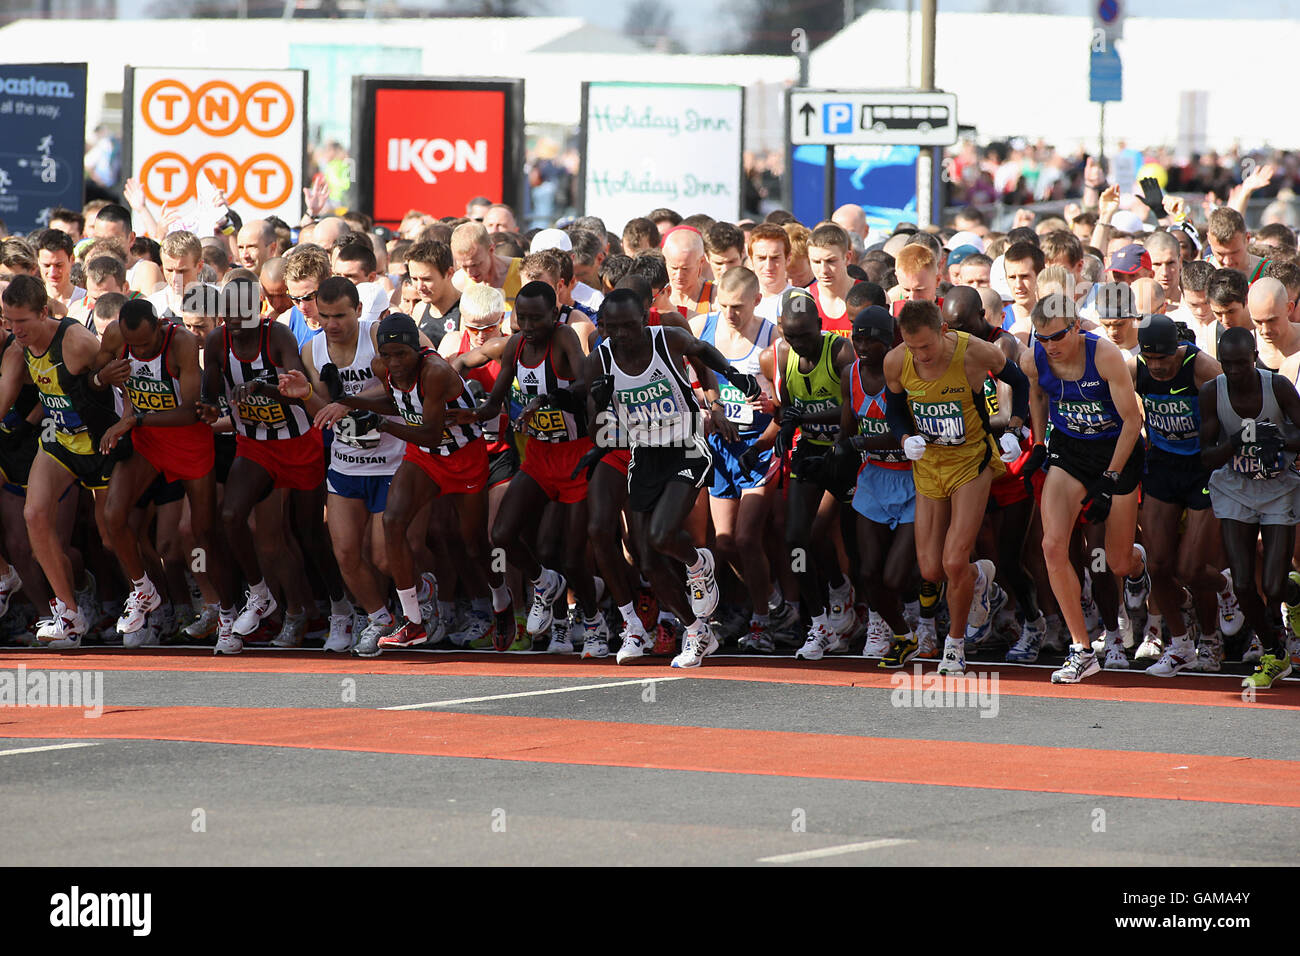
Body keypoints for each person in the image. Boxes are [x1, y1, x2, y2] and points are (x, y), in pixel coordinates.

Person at [582, 288, 762, 666]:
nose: (622, 334)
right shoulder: (600, 359)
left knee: (662, 534)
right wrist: (599, 403)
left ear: (644, 319)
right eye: (613, 328)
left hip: (686, 447)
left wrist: (735, 378)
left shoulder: (667, 338)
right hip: (644, 454)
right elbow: (596, 423)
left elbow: (702, 351)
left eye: (630, 325)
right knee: (647, 558)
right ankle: (697, 631)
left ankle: (698, 564)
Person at [323, 313, 506, 652]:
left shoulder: (435, 372)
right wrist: (348, 401)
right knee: (393, 522)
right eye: (387, 355)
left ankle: (501, 599)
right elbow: (397, 402)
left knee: (474, 541)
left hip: (461, 454)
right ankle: (413, 622)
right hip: (422, 454)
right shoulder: (384, 368)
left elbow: (432, 434)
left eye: (402, 355)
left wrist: (380, 424)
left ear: (417, 350)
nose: (395, 363)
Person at [454, 281, 601, 653]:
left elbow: (585, 384)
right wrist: (462, 409)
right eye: (523, 317)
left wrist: (550, 399)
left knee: (570, 552)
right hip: (538, 457)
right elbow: (493, 404)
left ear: (554, 314)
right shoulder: (516, 345)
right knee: (501, 535)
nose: (530, 325)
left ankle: (595, 621)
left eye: (538, 317)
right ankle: (543, 582)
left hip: (575, 454)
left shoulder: (565, 337)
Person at [883, 298, 1027, 676]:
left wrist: (1016, 428)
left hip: (971, 462)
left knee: (952, 560)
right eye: (912, 347)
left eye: (927, 346)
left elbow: (1020, 381)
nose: (921, 355)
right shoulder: (897, 361)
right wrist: (902, 438)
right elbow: (894, 407)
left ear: (943, 331)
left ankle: (956, 646)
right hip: (929, 465)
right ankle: (982, 579)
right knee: (931, 569)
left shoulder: (974, 353)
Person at [276, 277, 411, 654]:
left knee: (384, 555)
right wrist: (304, 395)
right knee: (347, 554)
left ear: (358, 311)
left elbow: (403, 389)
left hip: (392, 459)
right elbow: (324, 414)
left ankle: (421, 592)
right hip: (347, 463)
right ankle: (379, 618)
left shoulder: (380, 338)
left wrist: (351, 402)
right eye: (325, 316)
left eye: (340, 316)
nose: (331, 324)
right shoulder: (311, 349)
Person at [94, 298, 235, 647]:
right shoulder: (115, 335)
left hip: (188, 445)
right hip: (146, 443)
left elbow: (190, 412)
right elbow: (88, 378)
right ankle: (143, 590)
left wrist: (134, 419)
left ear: (159, 325)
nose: (139, 350)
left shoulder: (182, 342)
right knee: (113, 517)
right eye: (133, 345)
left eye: (146, 343)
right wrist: (100, 377)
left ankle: (223, 608)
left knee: (201, 535)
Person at [1021, 294, 1146, 683]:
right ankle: (1082, 648)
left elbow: (1132, 420)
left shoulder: (1105, 355)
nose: (1050, 346)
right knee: (1052, 546)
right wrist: (1040, 444)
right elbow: (1038, 394)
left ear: (1076, 326)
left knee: (1117, 563)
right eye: (1042, 338)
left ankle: (1140, 567)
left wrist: (1109, 478)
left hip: (1117, 453)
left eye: (1057, 336)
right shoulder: (1035, 357)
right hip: (1071, 452)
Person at [198, 276, 325, 654]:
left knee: (306, 534)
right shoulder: (216, 342)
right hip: (254, 444)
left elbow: (294, 387)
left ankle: (330, 609)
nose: (235, 320)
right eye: (229, 313)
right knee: (236, 519)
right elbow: (209, 393)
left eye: (243, 312)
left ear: (257, 310)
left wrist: (260, 387)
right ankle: (262, 596)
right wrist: (205, 408)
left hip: (298, 442)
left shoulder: (279, 337)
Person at [0, 275, 118, 646]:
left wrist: (127, 425)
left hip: (101, 443)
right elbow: (3, 397)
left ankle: (148, 597)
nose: (15, 329)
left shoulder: (77, 341)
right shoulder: (17, 351)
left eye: (22, 321)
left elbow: (116, 382)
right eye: (8, 320)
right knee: (34, 516)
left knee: (112, 535)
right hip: (61, 443)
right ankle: (68, 613)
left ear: (44, 313)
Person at [1128, 314, 1241, 676]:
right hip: (1161, 464)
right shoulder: (1136, 368)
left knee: (1189, 568)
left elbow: (1241, 400)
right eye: (1151, 359)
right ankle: (1180, 647)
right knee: (1158, 566)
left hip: (1202, 468)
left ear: (1177, 350)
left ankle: (1226, 587)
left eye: (1164, 358)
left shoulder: (1201, 366)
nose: (1158, 367)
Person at [690, 267, 794, 652]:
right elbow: (691, 385)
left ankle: (763, 619)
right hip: (720, 448)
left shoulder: (772, 337)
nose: (731, 314)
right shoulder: (702, 328)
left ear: (755, 300)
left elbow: (787, 403)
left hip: (760, 448)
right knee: (725, 541)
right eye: (725, 305)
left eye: (738, 306)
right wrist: (706, 408)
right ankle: (771, 601)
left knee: (749, 536)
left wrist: (770, 405)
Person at [1200, 327, 1300, 689]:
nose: (1235, 371)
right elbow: (1206, 456)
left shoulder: (1278, 386)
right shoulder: (1212, 392)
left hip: (1278, 488)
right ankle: (1275, 652)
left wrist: (1277, 437)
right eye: (1227, 364)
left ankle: (1293, 595)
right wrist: (1239, 439)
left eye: (1242, 363)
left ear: (1255, 356)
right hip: (1236, 488)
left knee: (1273, 586)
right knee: (1242, 583)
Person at [774, 288, 859, 660]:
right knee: (795, 540)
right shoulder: (782, 354)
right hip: (809, 451)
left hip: (846, 452)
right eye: (791, 336)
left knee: (852, 541)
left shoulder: (840, 352)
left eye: (806, 335)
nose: (799, 343)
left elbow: (852, 410)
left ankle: (862, 609)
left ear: (821, 326)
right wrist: (782, 431)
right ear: (781, 330)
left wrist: (803, 419)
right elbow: (789, 410)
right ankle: (819, 622)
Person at [841, 305, 917, 660]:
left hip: (913, 481)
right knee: (868, 573)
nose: (862, 344)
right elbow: (848, 431)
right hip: (872, 478)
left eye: (871, 337)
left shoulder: (905, 374)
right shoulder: (849, 375)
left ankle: (925, 618)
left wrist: (863, 443)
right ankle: (903, 634)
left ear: (888, 342)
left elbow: (914, 432)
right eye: (857, 336)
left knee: (893, 577)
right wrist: (834, 455)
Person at [405, 240, 461, 345]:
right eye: (414, 279)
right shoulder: (419, 309)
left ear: (449, 273)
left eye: (426, 279)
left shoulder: (465, 311)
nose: (420, 287)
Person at [806, 224, 858, 333]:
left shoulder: (871, 297)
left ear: (847, 258)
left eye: (831, 261)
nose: (823, 270)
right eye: (816, 262)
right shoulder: (803, 300)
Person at [662, 227, 715, 318]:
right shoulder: (658, 296)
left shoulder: (715, 296)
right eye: (674, 268)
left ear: (701, 262)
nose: (679, 276)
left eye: (685, 269)